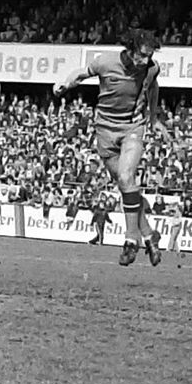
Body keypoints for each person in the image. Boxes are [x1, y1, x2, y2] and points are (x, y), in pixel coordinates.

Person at [53, 28, 169, 267]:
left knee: (127, 177)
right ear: (130, 49)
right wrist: (65, 83)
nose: (146, 61)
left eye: (149, 56)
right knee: (126, 186)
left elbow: (153, 87)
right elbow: (81, 73)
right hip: (104, 130)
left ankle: (131, 240)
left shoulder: (150, 68)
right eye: (142, 55)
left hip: (132, 128)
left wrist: (153, 117)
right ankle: (149, 235)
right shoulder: (106, 62)